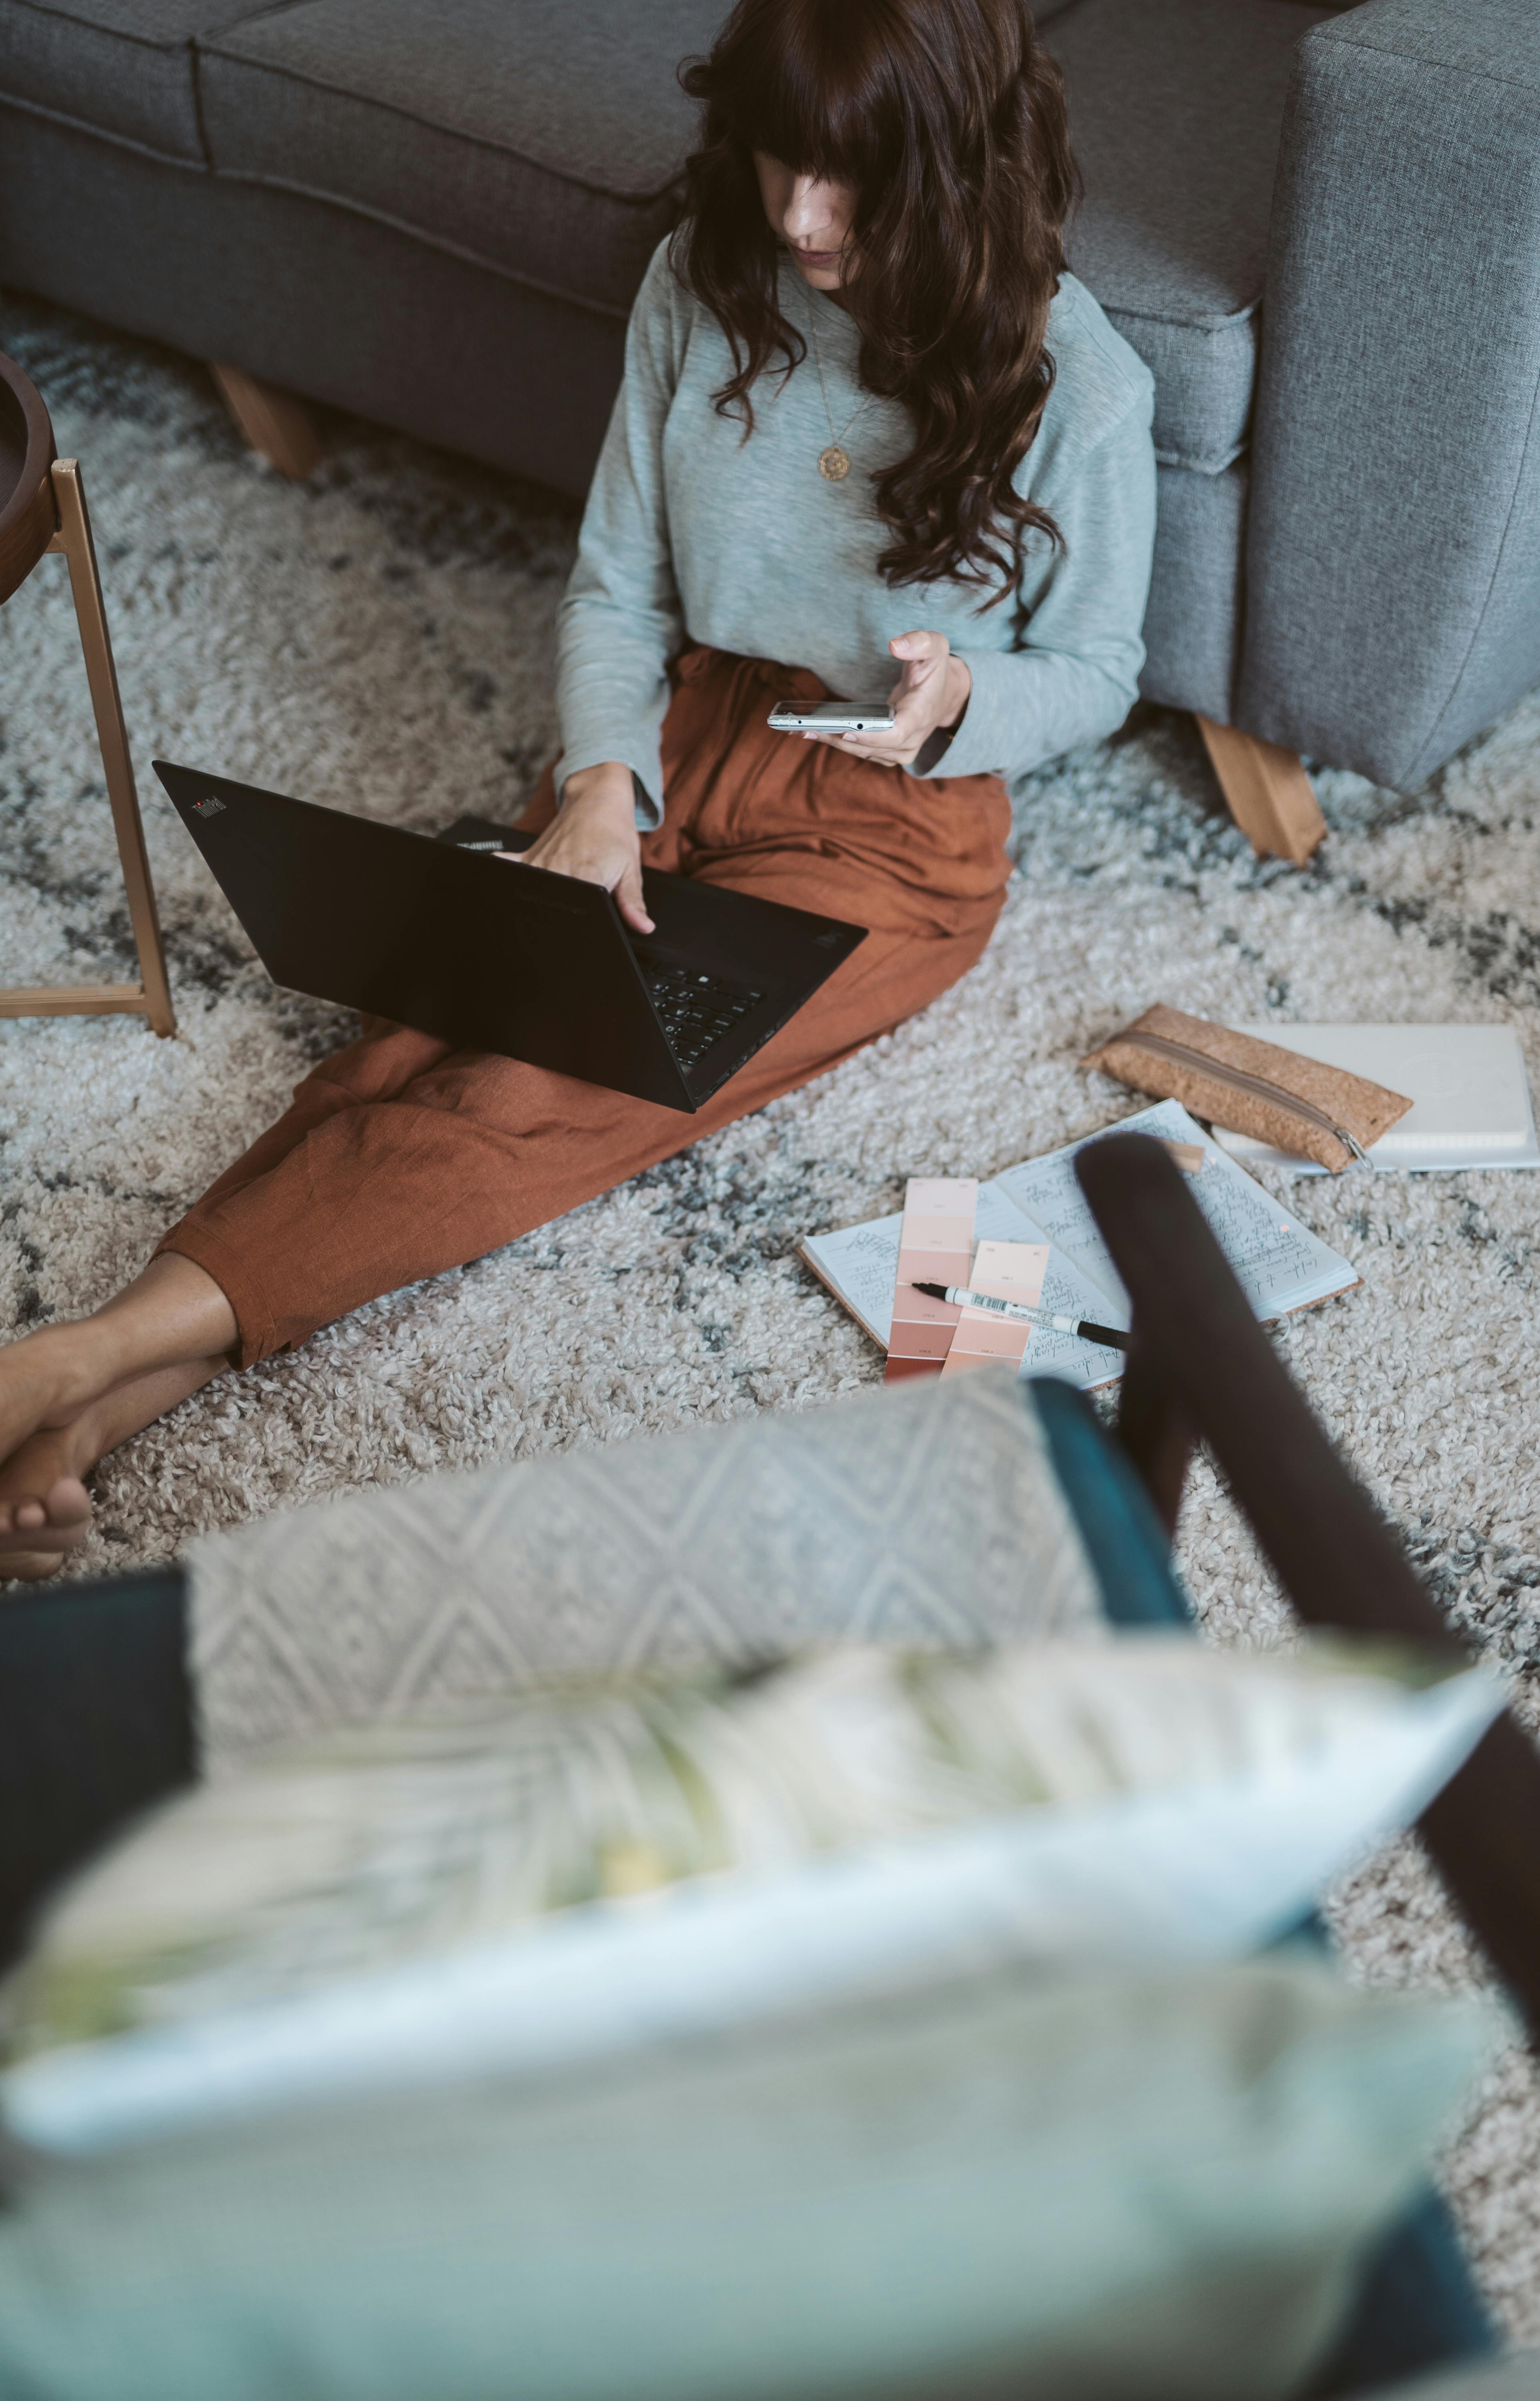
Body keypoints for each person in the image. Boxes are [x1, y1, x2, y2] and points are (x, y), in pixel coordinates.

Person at [0, 0, 1156, 1579]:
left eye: (852, 187)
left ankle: (66, 1369)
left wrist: (965, 705)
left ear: (953, 169)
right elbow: (616, 587)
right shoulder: (705, 279)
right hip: (684, 730)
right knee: (417, 1033)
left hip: (895, 835)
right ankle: (92, 1403)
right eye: (780, 166)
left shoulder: (1077, 379)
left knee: (544, 1095)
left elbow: (1099, 671)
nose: (802, 223)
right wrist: (600, 781)